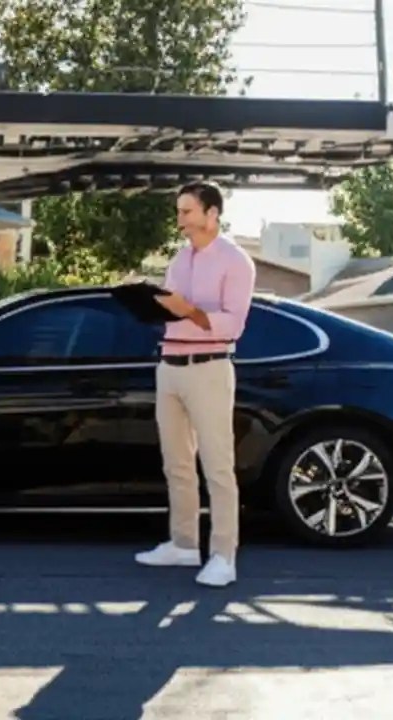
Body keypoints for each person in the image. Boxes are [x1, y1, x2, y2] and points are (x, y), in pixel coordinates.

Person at [135, 181, 255, 587]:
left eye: (187, 212)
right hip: (168, 366)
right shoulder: (179, 261)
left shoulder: (236, 261)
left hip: (209, 367)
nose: (181, 221)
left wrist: (191, 312)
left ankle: (224, 556)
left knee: (217, 467)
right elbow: (171, 314)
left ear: (211, 213)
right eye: (179, 212)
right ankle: (184, 545)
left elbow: (232, 322)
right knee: (176, 463)